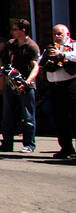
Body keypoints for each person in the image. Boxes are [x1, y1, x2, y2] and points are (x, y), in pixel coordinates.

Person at [0, 19, 41, 154]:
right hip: (11, 83)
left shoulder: (31, 46)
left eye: (15, 29)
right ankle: (7, 143)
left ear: (23, 30)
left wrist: (27, 81)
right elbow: (2, 59)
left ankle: (29, 144)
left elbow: (35, 67)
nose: (12, 32)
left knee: (27, 116)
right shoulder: (11, 44)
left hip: (26, 85)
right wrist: (3, 69)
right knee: (7, 115)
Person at [41, 23, 76, 158]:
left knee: (73, 117)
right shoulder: (50, 48)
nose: (56, 37)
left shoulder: (73, 45)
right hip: (55, 86)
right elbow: (41, 62)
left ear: (67, 34)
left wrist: (61, 54)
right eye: (54, 34)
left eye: (59, 34)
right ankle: (66, 148)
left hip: (71, 85)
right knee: (60, 118)